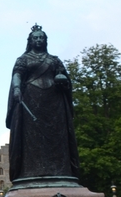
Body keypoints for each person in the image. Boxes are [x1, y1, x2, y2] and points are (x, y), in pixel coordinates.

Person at [6, 24, 80, 185]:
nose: (39, 40)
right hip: (32, 100)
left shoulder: (54, 60)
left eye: (41, 38)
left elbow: (63, 77)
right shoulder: (23, 59)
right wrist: (17, 88)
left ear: (45, 40)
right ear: (30, 41)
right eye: (36, 38)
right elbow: (17, 75)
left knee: (57, 137)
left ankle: (60, 171)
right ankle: (31, 171)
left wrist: (64, 81)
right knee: (32, 138)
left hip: (54, 102)